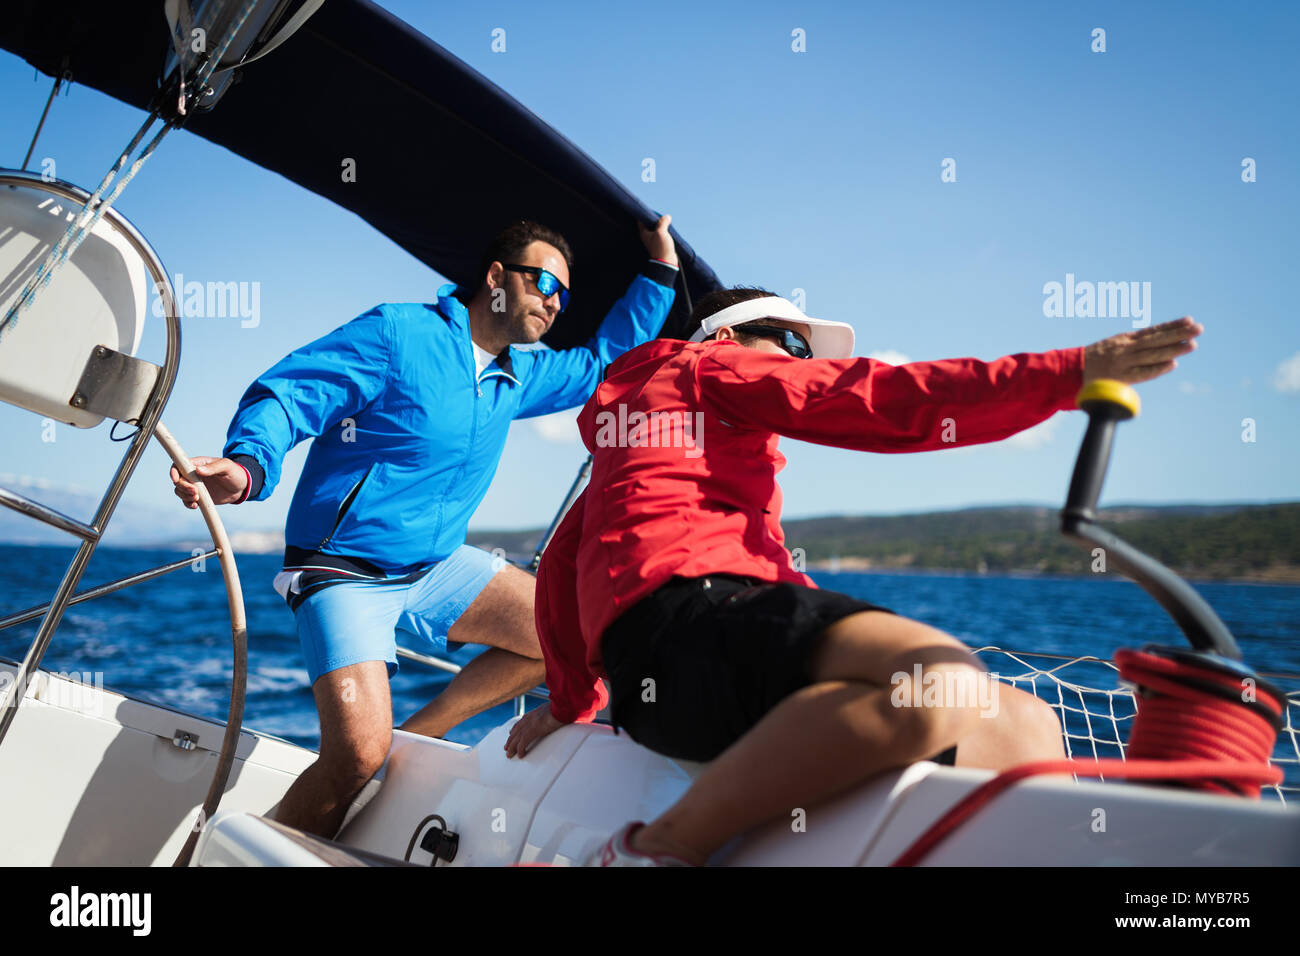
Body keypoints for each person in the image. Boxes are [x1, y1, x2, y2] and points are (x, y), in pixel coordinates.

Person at [504, 285, 1203, 866]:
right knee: (940, 680)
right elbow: (875, 397)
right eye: (791, 344)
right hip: (692, 630)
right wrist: (1065, 374)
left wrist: (571, 702)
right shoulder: (705, 367)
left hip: (667, 688)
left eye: (806, 354)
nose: (799, 362)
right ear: (729, 338)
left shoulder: (638, 441)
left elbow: (563, 565)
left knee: (1028, 726)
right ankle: (656, 849)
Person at [169, 217, 679, 838]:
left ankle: (417, 736)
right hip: (342, 568)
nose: (553, 302)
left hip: (435, 566)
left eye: (563, 296)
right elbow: (291, 394)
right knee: (356, 754)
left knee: (570, 633)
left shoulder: (518, 376)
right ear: (496, 276)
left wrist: (660, 270)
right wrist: (249, 465)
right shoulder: (399, 333)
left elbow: (604, 360)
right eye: (543, 282)